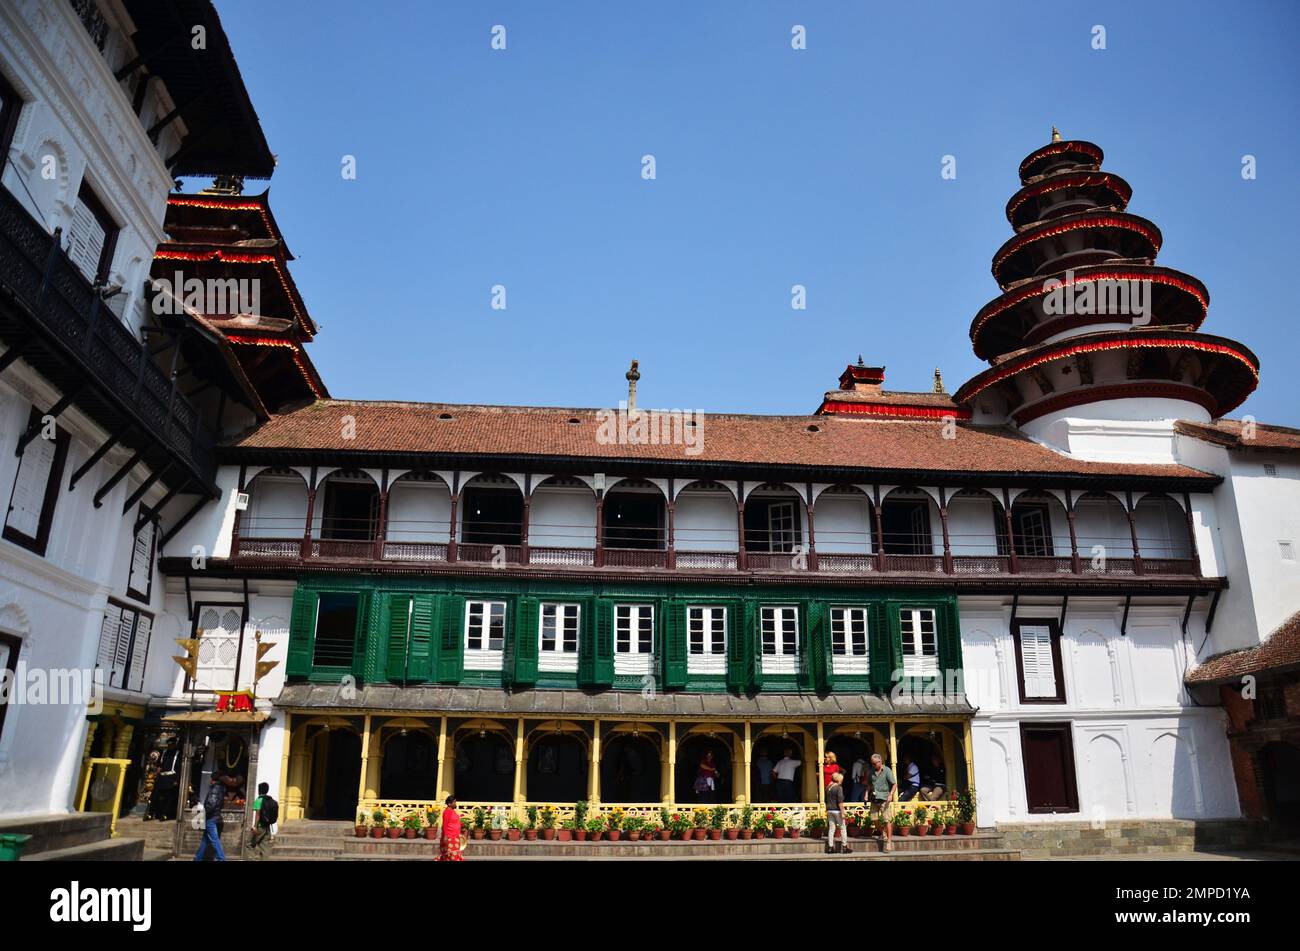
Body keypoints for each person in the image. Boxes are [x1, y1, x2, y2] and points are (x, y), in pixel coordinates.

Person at [866, 753, 897, 853]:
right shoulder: (871, 772)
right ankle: (883, 832)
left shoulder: (887, 770)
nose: (873, 765)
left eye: (875, 764)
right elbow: (869, 785)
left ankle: (889, 840)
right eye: (872, 764)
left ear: (880, 762)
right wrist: (866, 794)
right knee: (874, 818)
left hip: (884, 798)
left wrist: (891, 794)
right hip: (874, 798)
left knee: (887, 820)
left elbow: (894, 784)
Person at [193, 771, 227, 862]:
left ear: (212, 779)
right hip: (214, 816)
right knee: (205, 839)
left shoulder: (215, 789)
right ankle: (198, 858)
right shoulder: (220, 789)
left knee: (214, 840)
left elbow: (211, 804)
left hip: (210, 817)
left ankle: (221, 858)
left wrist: (203, 814)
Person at [149, 736, 181, 821]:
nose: (170, 746)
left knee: (169, 798)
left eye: (172, 745)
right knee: (155, 796)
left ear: (175, 745)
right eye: (169, 745)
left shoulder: (178, 753)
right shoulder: (164, 752)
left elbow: (179, 768)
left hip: (171, 777)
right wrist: (157, 771)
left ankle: (166, 814)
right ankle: (151, 813)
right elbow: (160, 764)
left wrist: (176, 780)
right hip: (162, 777)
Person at [247, 782, 278, 861]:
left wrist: (255, 826)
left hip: (260, 827)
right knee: (264, 847)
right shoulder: (271, 800)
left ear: (259, 790)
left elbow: (258, 814)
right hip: (267, 827)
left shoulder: (259, 800)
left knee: (249, 844)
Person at [824, 771, 850, 854]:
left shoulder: (828, 787)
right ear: (839, 780)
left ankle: (830, 847)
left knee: (831, 829)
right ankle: (844, 847)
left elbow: (825, 800)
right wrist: (843, 811)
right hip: (837, 810)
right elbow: (840, 801)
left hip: (829, 810)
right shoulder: (839, 788)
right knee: (843, 828)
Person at [438, 795, 465, 862]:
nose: (455, 804)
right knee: (452, 857)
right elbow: (445, 825)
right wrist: (445, 837)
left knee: (453, 856)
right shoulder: (447, 811)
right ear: (449, 804)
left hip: (455, 837)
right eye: (454, 802)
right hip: (450, 838)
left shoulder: (452, 811)